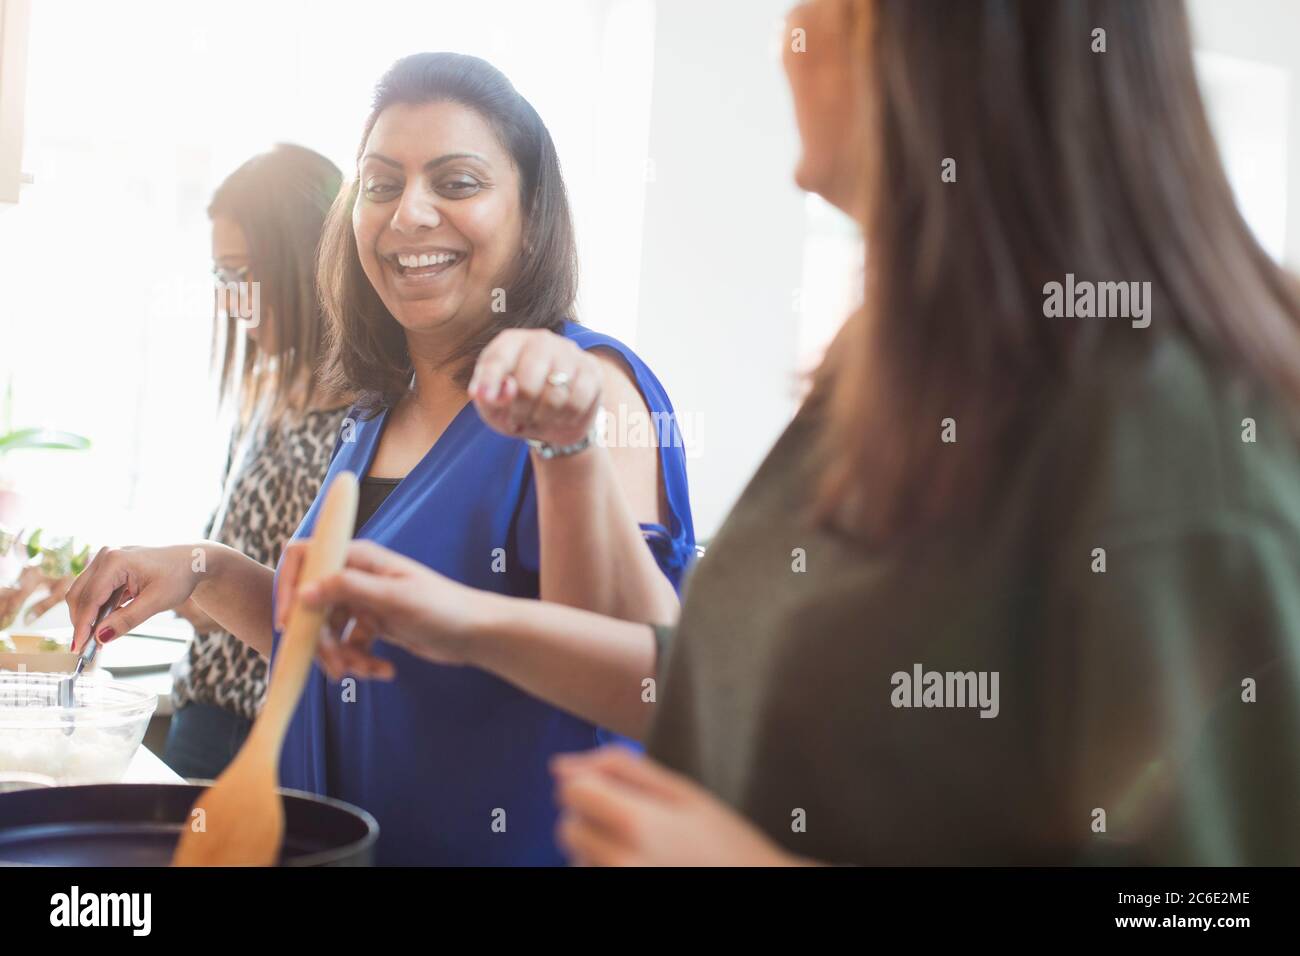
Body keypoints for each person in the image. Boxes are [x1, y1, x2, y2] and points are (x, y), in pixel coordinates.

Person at [275, 0, 1300, 865]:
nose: (785, 37)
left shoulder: (1174, 442)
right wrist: (456, 620)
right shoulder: (890, 370)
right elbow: (718, 685)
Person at [69, 52, 694, 865]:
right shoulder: (375, 412)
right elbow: (343, 652)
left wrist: (564, 451)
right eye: (383, 183)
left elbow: (635, 681)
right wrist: (204, 570)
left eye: (458, 182)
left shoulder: (583, 387)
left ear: (532, 212)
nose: (410, 214)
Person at [161, 145, 349, 780]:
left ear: (302, 264)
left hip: (277, 736)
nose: (229, 300)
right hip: (204, 716)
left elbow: (312, 609)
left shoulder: (376, 419)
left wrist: (179, 585)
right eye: (220, 277)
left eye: (239, 273)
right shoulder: (266, 396)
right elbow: (221, 561)